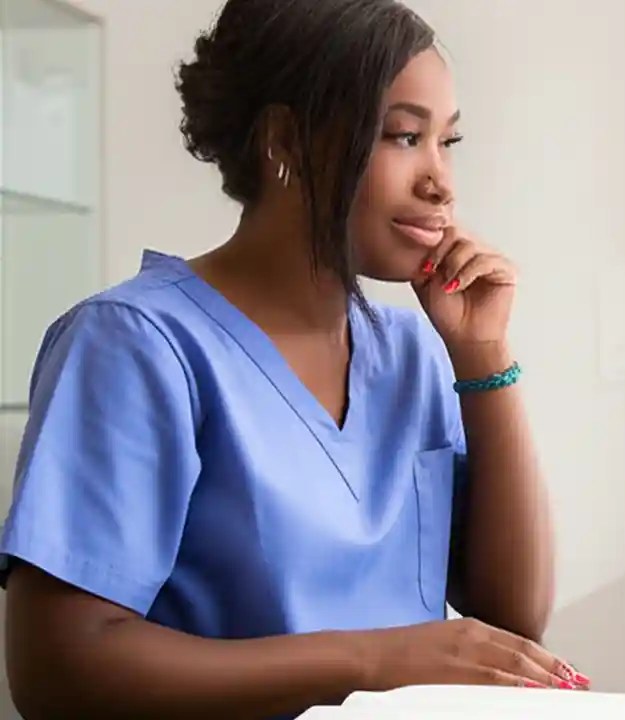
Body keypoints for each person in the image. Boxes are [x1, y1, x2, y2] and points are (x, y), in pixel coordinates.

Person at [0, 1, 590, 717]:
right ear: (286, 139)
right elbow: (57, 670)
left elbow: (512, 616)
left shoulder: (411, 355)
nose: (442, 182)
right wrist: (372, 660)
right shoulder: (136, 346)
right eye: (404, 137)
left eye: (447, 141)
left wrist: (484, 356)